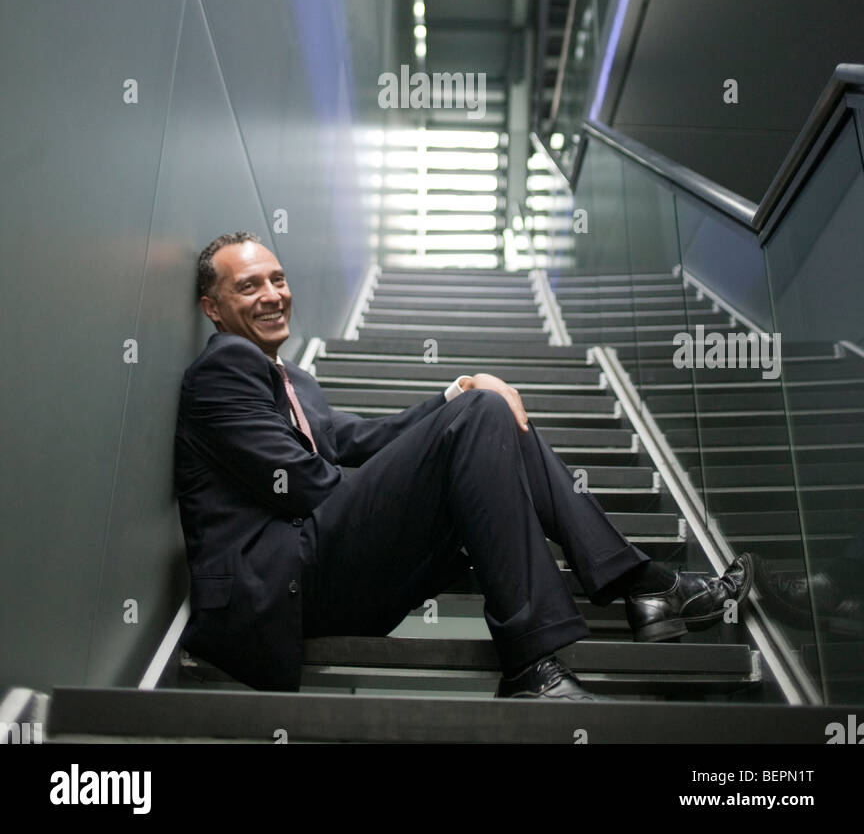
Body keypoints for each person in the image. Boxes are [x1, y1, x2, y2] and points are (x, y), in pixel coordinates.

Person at [174, 232, 753, 701]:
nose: (272, 294)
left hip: (330, 572)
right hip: (279, 587)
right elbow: (301, 485)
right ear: (213, 308)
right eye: (248, 287)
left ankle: (638, 588)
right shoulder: (224, 367)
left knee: (486, 410)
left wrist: (460, 391)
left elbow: (362, 439)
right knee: (479, 420)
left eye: (277, 279)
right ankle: (598, 616)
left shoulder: (293, 379)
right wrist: (434, 461)